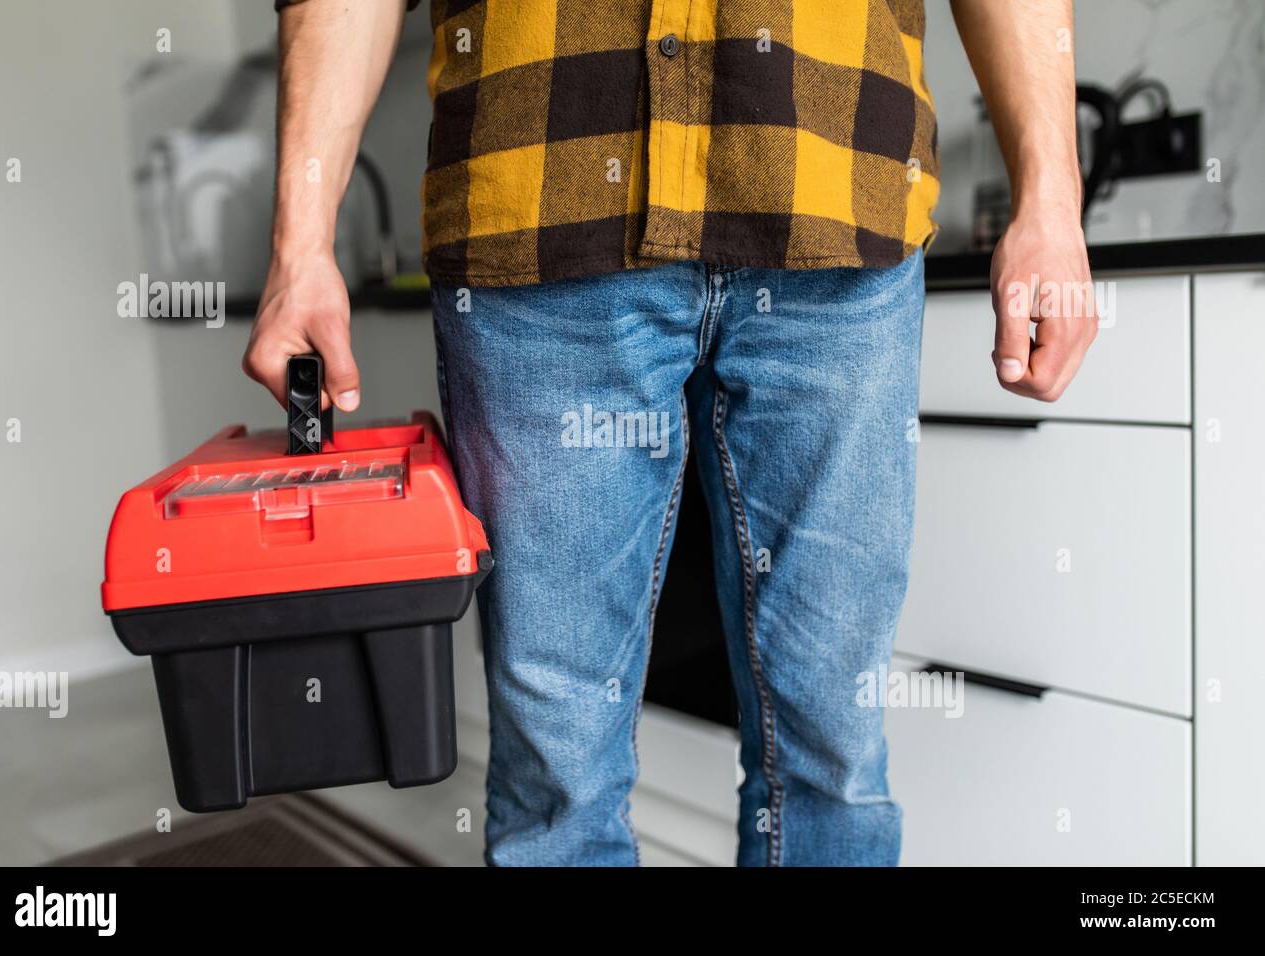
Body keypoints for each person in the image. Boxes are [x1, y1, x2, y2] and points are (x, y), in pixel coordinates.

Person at [244, 0, 1097, 866]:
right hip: (541, 196)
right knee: (558, 775)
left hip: (838, 195)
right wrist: (300, 241)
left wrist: (1053, 201)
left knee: (831, 750)